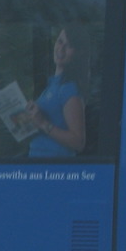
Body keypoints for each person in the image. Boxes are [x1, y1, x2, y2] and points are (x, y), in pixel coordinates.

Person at [20, 24, 89, 158]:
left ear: (78, 53)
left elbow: (78, 142)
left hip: (54, 168)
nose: (61, 49)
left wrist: (42, 123)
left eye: (68, 46)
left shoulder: (69, 89)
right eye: (60, 41)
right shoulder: (52, 85)